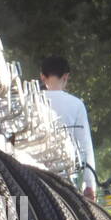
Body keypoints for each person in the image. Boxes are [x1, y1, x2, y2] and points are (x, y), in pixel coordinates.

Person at [39, 54, 97, 201]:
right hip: (64, 179)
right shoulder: (76, 104)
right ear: (65, 77)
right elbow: (85, 146)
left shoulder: (29, 100)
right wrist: (89, 184)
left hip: (25, 173)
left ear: (42, 77)